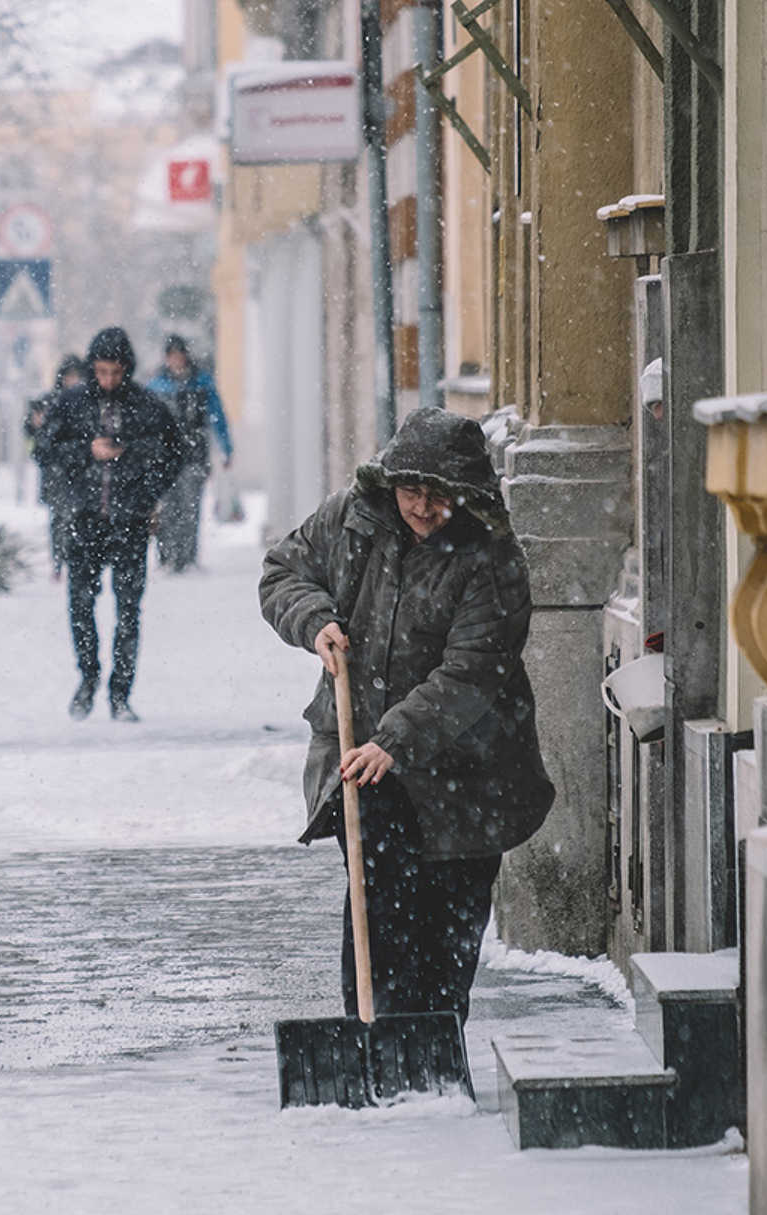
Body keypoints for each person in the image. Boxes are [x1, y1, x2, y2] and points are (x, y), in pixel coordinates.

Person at [258, 407, 555, 1021]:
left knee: (446, 933)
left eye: (438, 495)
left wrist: (397, 736)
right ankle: (374, 1042)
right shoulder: (351, 519)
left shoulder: (489, 558)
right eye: (410, 489)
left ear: (466, 494)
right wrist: (314, 620)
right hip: (366, 763)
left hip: (470, 774)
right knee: (377, 915)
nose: (421, 507)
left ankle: (433, 1054)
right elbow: (283, 570)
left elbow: (475, 667)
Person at [42, 326, 189, 721]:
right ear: (92, 368)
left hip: (130, 521)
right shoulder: (71, 404)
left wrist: (142, 480)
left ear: (127, 369)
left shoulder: (146, 406)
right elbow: (45, 450)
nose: (108, 380)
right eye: (102, 372)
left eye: (116, 372)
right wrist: (84, 451)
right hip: (84, 519)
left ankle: (120, 693)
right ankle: (88, 677)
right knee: (81, 605)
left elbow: (175, 453)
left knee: (128, 610)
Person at [144, 334, 232, 572]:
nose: (176, 360)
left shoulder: (201, 384)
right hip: (164, 458)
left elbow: (217, 417)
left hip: (194, 455)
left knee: (190, 507)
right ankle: (167, 556)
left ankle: (187, 557)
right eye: (172, 355)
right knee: (167, 508)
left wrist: (226, 448)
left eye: (179, 354)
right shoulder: (156, 387)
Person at [24, 355, 86, 579]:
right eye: (70, 376)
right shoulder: (50, 402)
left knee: (77, 518)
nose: (73, 381)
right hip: (55, 470)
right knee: (59, 518)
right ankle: (59, 560)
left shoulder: (85, 402)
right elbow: (35, 434)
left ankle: (73, 559)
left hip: (77, 471)